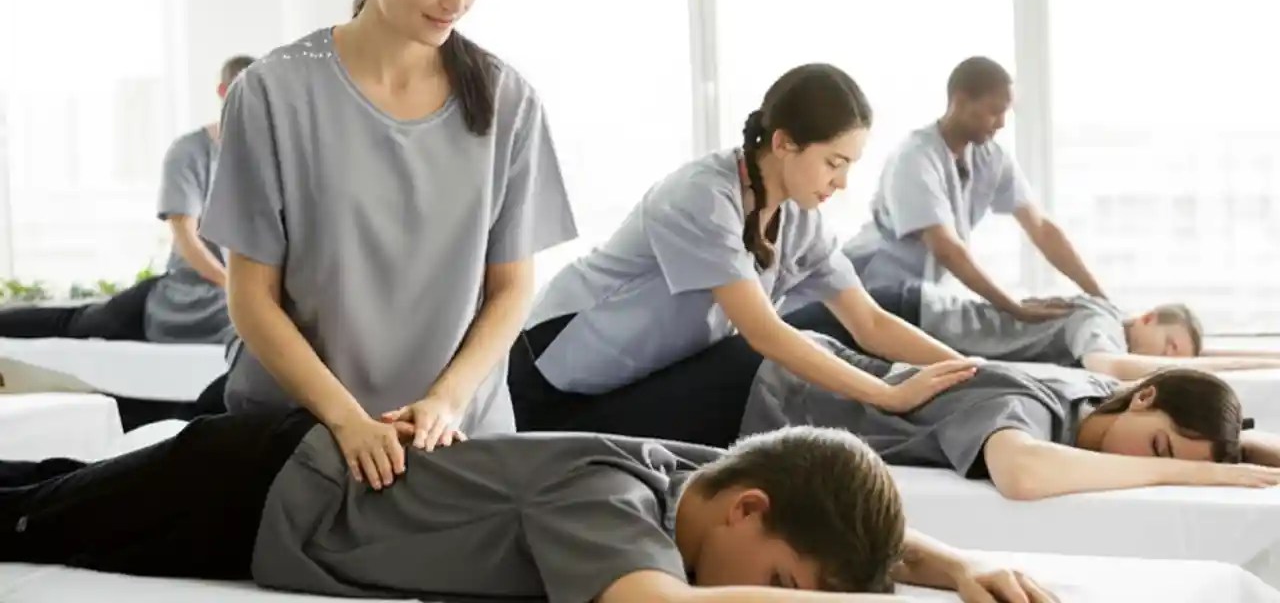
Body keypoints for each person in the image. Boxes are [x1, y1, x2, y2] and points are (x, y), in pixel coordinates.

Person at [200, 0, 577, 491]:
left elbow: (511, 290)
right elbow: (251, 299)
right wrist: (348, 422)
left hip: (456, 437)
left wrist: (447, 403)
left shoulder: (510, 101)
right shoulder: (274, 93)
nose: (457, 0)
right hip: (303, 435)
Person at [0, 410, 1058, 603]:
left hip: (265, 477)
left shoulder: (690, 474)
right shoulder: (607, 499)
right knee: (26, 522)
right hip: (242, 493)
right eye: (780, 588)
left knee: (44, 487)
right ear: (743, 511)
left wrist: (953, 567)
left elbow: (846, 516)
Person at [512, 64, 979, 443]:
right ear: (783, 143)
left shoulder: (799, 219)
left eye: (849, 166)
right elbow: (764, 334)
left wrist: (969, 372)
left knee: (797, 348)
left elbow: (870, 323)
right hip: (552, 383)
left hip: (641, 378)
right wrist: (887, 395)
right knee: (756, 364)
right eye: (834, 163)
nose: (842, 183)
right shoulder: (701, 196)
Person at [518, 325, 1280, 500]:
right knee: (539, 414)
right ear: (1142, 396)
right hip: (754, 391)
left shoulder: (1087, 406)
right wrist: (1161, 478)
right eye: (1152, 447)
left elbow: (1208, 442)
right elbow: (1018, 475)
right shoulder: (1033, 407)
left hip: (769, 384)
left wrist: (1241, 459)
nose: (1140, 461)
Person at [0, 55, 253, 345]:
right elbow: (187, 240)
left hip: (228, 295)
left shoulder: (263, 158)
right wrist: (234, 286)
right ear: (223, 92)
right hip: (181, 298)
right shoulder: (190, 152)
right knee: (76, 322)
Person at [843, 57, 1105, 324]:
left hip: (923, 298)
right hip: (874, 290)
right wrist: (1014, 307)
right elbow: (947, 248)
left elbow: (1041, 228)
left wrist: (1101, 299)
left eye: (1006, 112)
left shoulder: (991, 157)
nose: (1002, 122)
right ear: (960, 101)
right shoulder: (914, 159)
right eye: (994, 111)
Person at [791, 282, 1280, 381]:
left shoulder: (1098, 315)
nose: (1166, 361)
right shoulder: (1101, 322)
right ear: (1147, 317)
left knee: (783, 340)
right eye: (1170, 350)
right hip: (908, 315)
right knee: (774, 336)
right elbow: (1104, 365)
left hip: (915, 316)